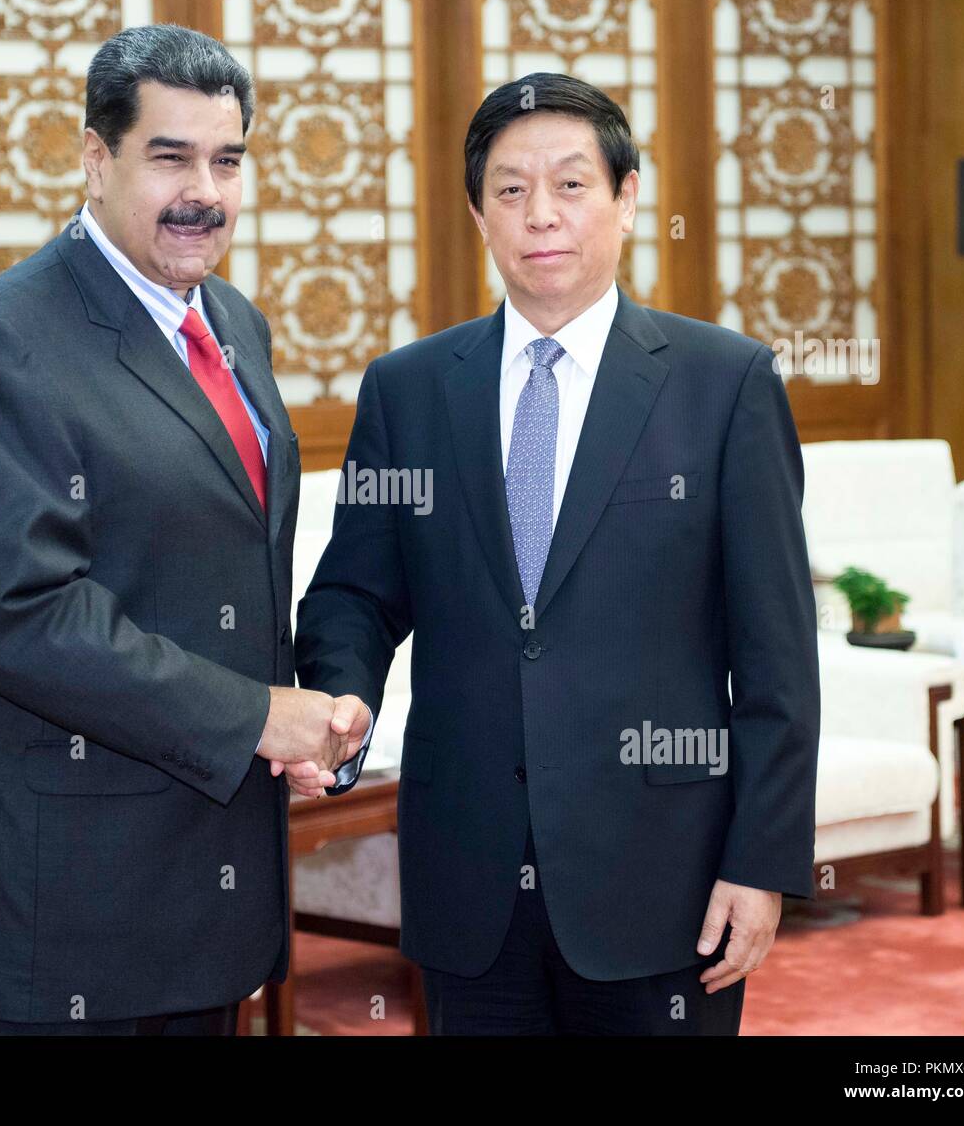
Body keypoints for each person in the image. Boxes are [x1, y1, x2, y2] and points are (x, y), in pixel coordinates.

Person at [293, 72, 820, 1035]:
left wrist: (762, 860)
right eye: (510, 189)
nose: (541, 214)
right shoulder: (408, 391)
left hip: (666, 884)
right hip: (469, 884)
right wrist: (340, 698)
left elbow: (779, 654)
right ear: (477, 213)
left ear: (625, 198)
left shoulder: (724, 385)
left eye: (572, 184)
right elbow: (354, 594)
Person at [0, 23, 366, 1036]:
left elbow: (226, 566)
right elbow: (23, 615)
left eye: (227, 159)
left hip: (203, 871)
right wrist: (255, 717)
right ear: (95, 160)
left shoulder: (232, 320)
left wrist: (304, 716)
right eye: (169, 156)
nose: (205, 191)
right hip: (60, 892)